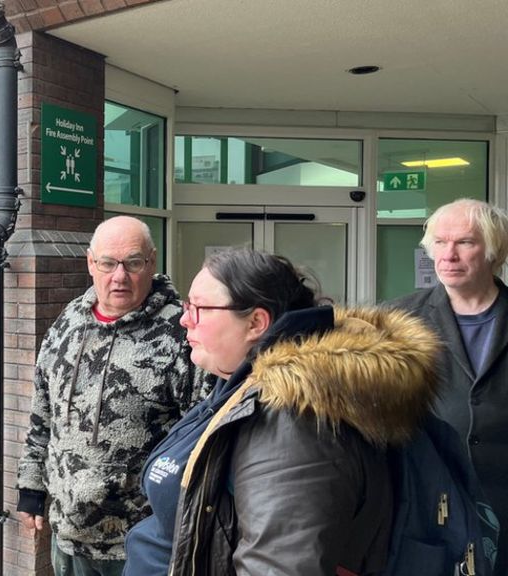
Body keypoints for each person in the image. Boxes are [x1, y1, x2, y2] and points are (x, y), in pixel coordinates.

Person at [123, 248, 442, 576]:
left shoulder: (292, 421)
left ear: (256, 323)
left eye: (200, 308)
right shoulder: (237, 387)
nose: (184, 318)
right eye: (188, 306)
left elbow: (280, 566)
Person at [16, 215, 205, 576]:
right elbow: (43, 413)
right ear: (91, 263)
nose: (119, 276)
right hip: (69, 532)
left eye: (133, 263)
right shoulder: (67, 324)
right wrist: (31, 487)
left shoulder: (181, 334)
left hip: (144, 540)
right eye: (107, 263)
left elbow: (197, 442)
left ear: (151, 261)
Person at [389, 198, 508, 575]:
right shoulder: (397, 320)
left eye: (464, 243)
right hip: (429, 504)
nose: (448, 255)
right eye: (439, 243)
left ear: (494, 252)